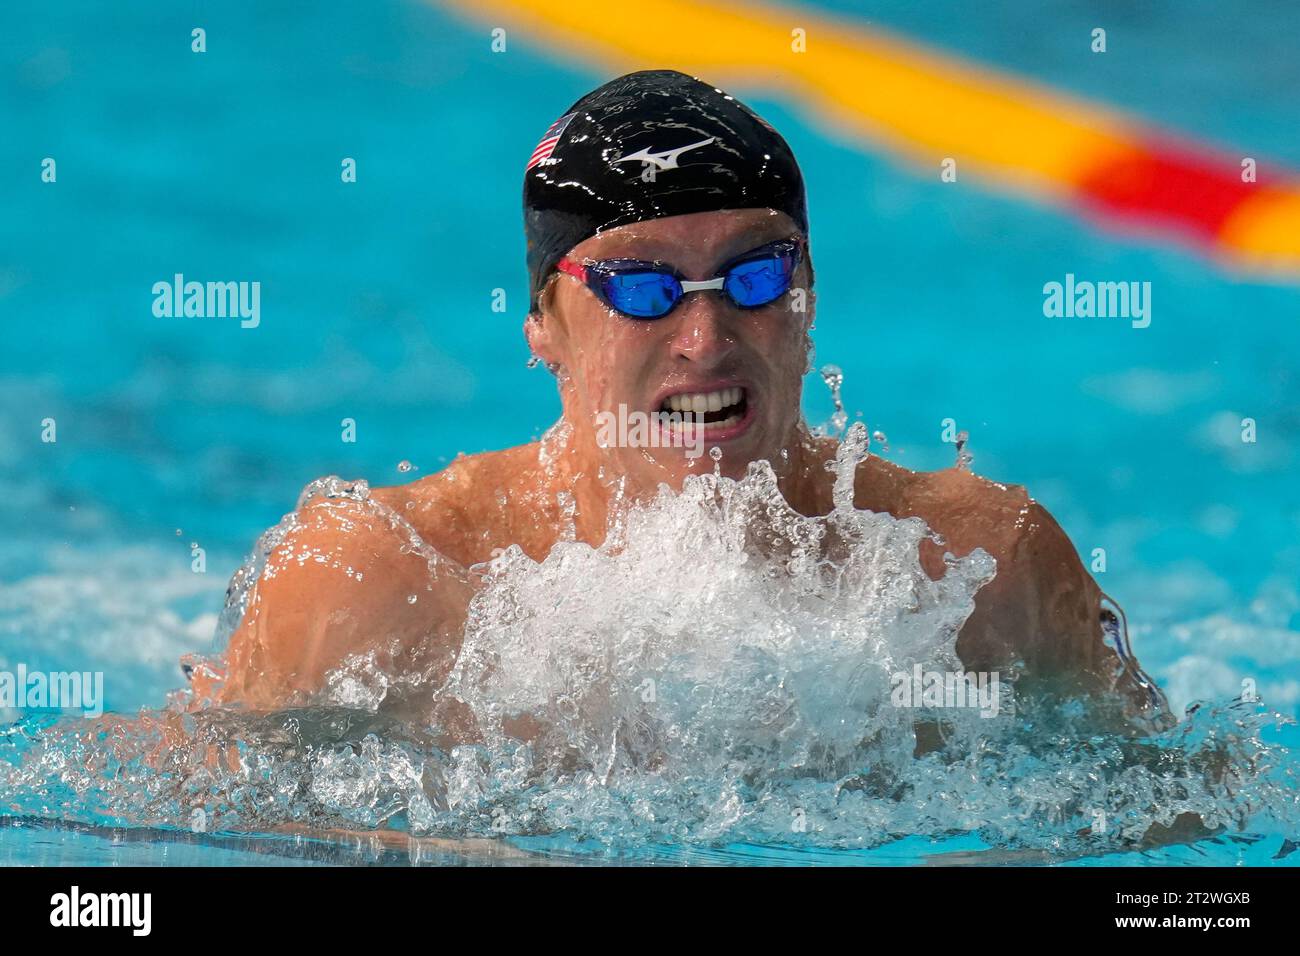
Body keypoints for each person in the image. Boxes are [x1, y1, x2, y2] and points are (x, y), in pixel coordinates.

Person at [194, 69, 1169, 734]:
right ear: (543, 323)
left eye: (752, 276)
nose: (704, 340)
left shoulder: (980, 565)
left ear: (808, 297)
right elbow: (172, 815)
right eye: (640, 286)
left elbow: (1170, 817)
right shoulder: (382, 582)